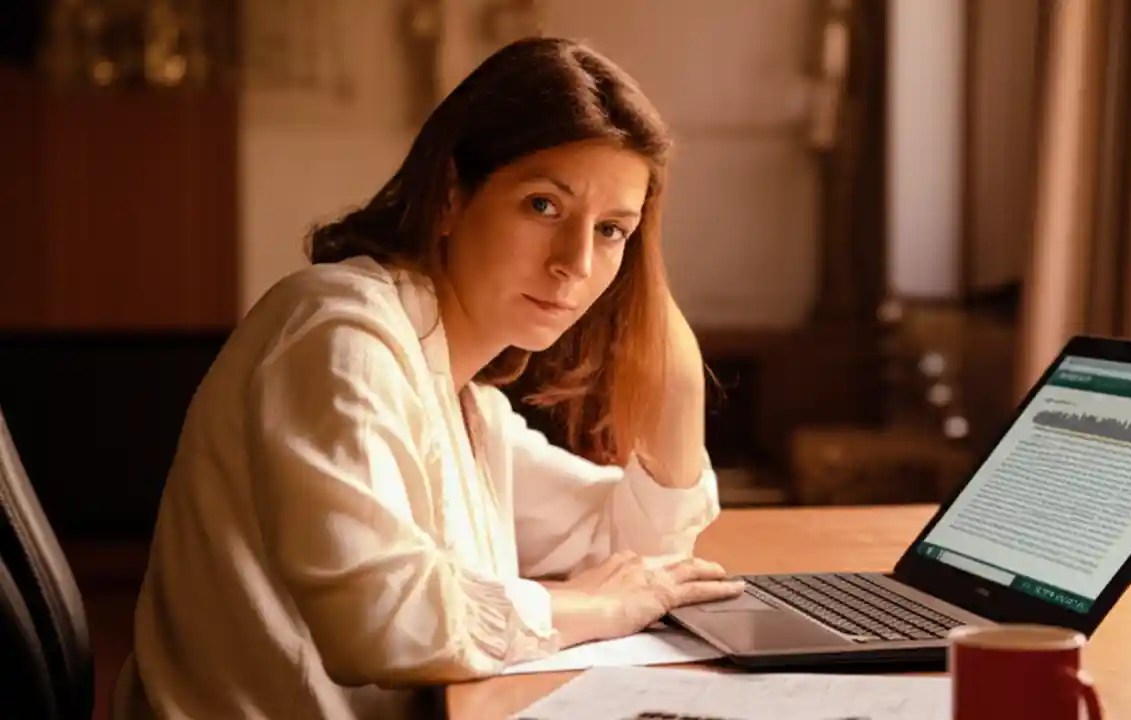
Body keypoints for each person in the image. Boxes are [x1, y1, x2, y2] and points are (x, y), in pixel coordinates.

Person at [114, 36, 744, 719]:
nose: (576, 263)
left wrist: (674, 377)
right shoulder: (340, 334)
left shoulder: (458, 387)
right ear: (450, 195)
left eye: (612, 231)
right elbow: (384, 623)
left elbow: (638, 553)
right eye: (543, 206)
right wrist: (588, 604)